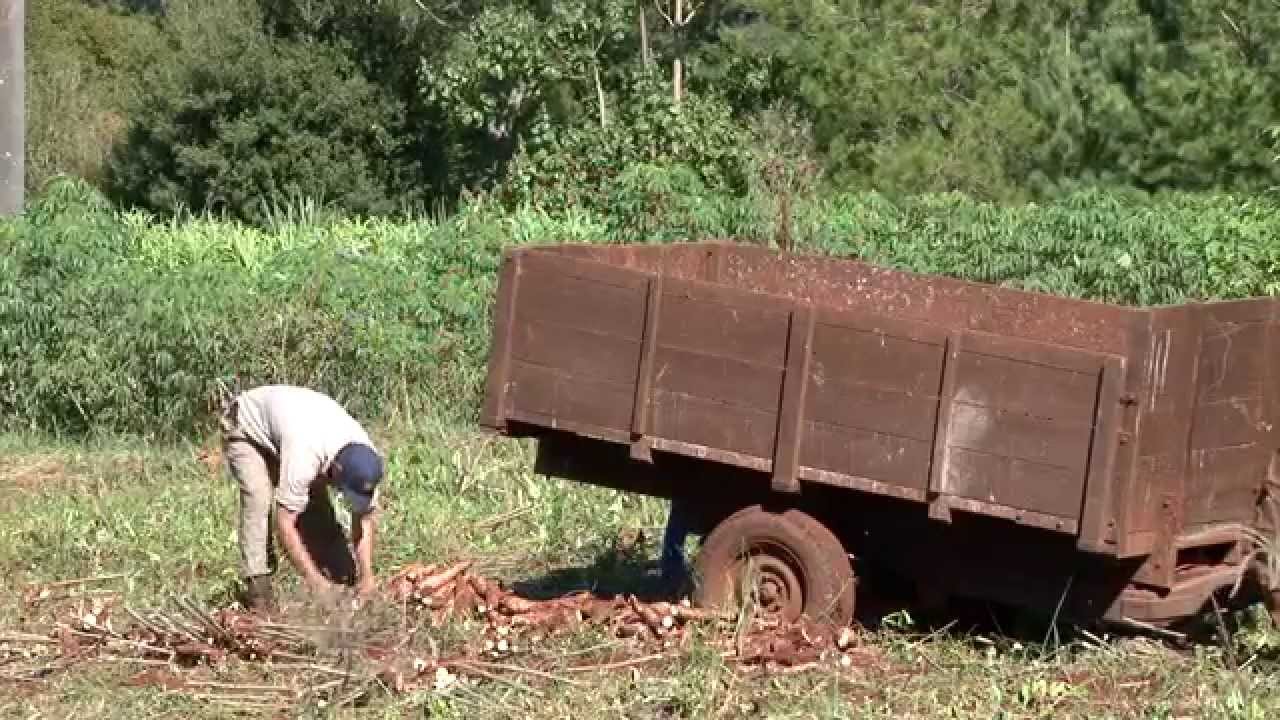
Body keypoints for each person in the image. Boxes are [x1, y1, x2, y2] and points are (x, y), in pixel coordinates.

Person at [219, 384, 385, 610]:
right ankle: (258, 588)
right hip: (246, 429)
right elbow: (285, 522)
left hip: (291, 431)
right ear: (335, 468)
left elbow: (363, 520)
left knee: (314, 502)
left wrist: (367, 577)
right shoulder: (305, 453)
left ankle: (337, 572)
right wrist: (315, 582)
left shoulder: (365, 460)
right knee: (259, 497)